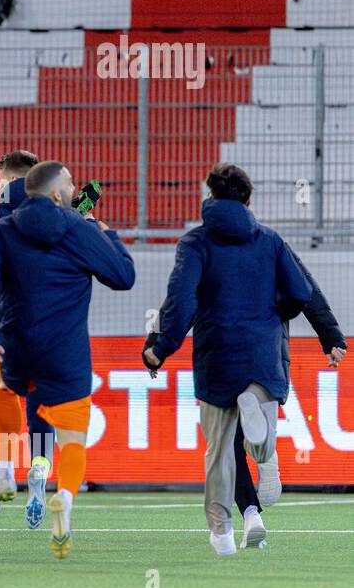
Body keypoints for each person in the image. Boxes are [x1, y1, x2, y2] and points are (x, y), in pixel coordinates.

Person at [143, 164, 311, 556]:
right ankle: (260, 440)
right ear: (248, 200)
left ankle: (222, 535)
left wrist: (160, 348)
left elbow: (181, 302)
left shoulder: (195, 243)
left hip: (217, 353)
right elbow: (300, 293)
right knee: (260, 440)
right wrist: (271, 315)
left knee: (219, 450)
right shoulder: (270, 240)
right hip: (262, 352)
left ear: (210, 196)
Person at [0, 161, 136, 559]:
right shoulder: (79, 228)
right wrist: (104, 230)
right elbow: (123, 276)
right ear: (58, 193)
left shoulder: (1, 229)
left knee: (5, 389)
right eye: (71, 184)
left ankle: (4, 467)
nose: (77, 188)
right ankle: (65, 498)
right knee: (72, 437)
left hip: (15, 343)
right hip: (65, 350)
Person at [226, 251, 344, 549]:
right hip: (264, 358)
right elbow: (307, 291)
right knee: (235, 435)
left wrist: (160, 344)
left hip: (230, 354)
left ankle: (257, 483)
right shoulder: (273, 246)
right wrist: (330, 336)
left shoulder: (208, 247)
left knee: (231, 441)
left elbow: (186, 297)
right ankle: (254, 502)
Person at [0, 149, 40, 519]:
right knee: (41, 400)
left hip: (2, 321)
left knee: (0, 392)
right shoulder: (57, 215)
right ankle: (39, 472)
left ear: (10, 181)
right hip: (50, 322)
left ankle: (0, 469)